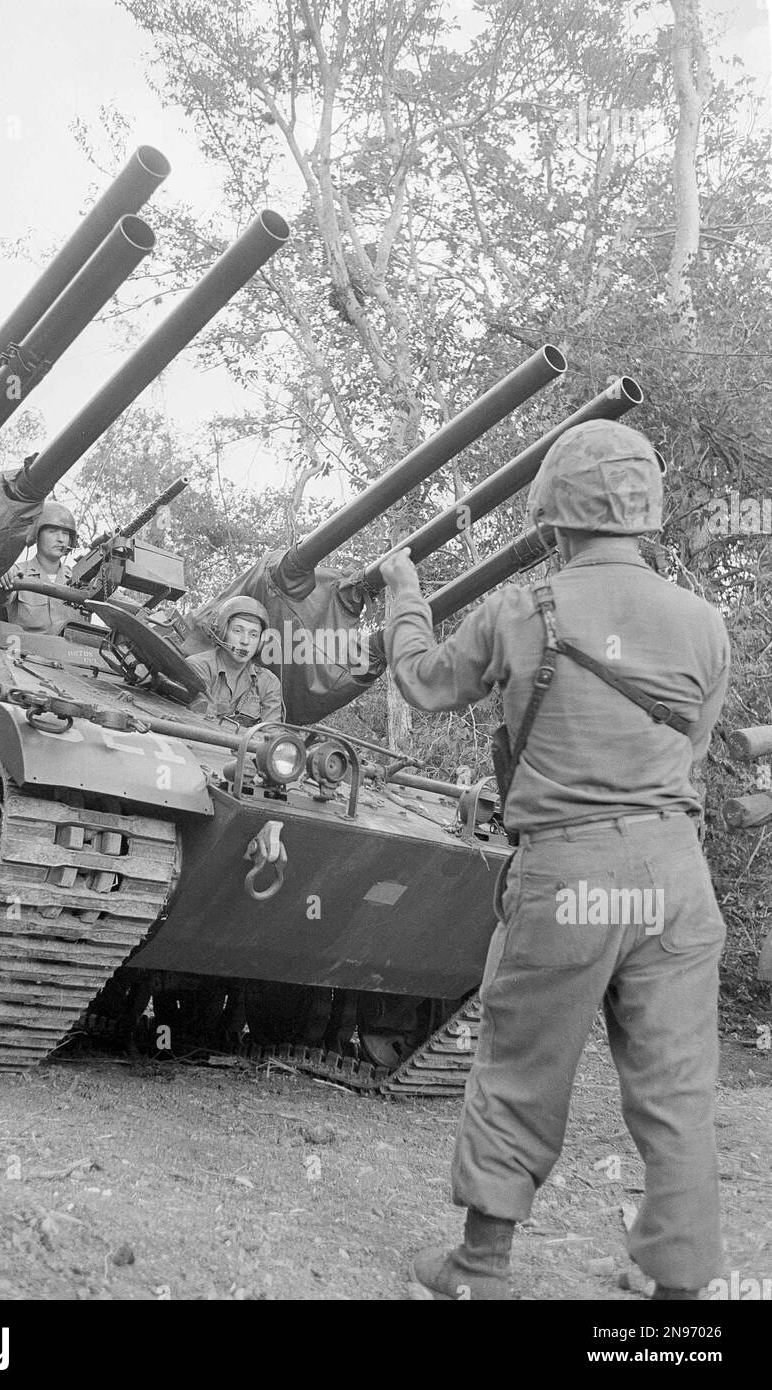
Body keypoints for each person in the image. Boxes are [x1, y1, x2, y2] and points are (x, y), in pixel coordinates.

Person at [379, 420, 730, 1302]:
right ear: (645, 509)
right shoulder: (705, 625)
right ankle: (679, 1291)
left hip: (571, 876)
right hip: (676, 879)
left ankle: (479, 1271)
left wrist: (404, 593)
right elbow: (691, 757)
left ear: (552, 513)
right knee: (678, 1088)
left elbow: (421, 682)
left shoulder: (523, 610)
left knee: (521, 1066)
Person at [0, 501, 80, 635]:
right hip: (24, 651)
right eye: (52, 531)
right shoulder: (17, 573)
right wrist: (2, 575)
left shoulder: (78, 580)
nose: (60, 539)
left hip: (70, 654)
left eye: (65, 533)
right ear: (36, 535)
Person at [187, 595, 285, 726]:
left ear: (261, 642)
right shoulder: (198, 667)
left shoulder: (268, 683)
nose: (245, 641)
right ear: (222, 632)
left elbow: (271, 733)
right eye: (238, 631)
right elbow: (198, 722)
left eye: (253, 634)